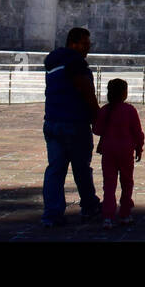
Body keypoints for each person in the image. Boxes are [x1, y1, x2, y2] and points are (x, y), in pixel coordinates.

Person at [41, 27, 101, 227]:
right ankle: (90, 207)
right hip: (75, 123)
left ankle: (52, 214)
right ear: (73, 43)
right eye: (85, 44)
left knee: (55, 170)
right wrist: (97, 116)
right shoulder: (75, 62)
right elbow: (86, 90)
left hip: (52, 122)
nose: (87, 48)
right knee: (82, 169)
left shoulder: (53, 62)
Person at [93, 78, 145, 228]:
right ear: (124, 93)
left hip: (108, 151)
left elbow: (97, 131)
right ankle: (125, 213)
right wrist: (139, 148)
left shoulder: (105, 110)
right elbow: (137, 133)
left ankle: (108, 216)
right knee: (127, 182)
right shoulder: (130, 111)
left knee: (109, 183)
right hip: (126, 151)